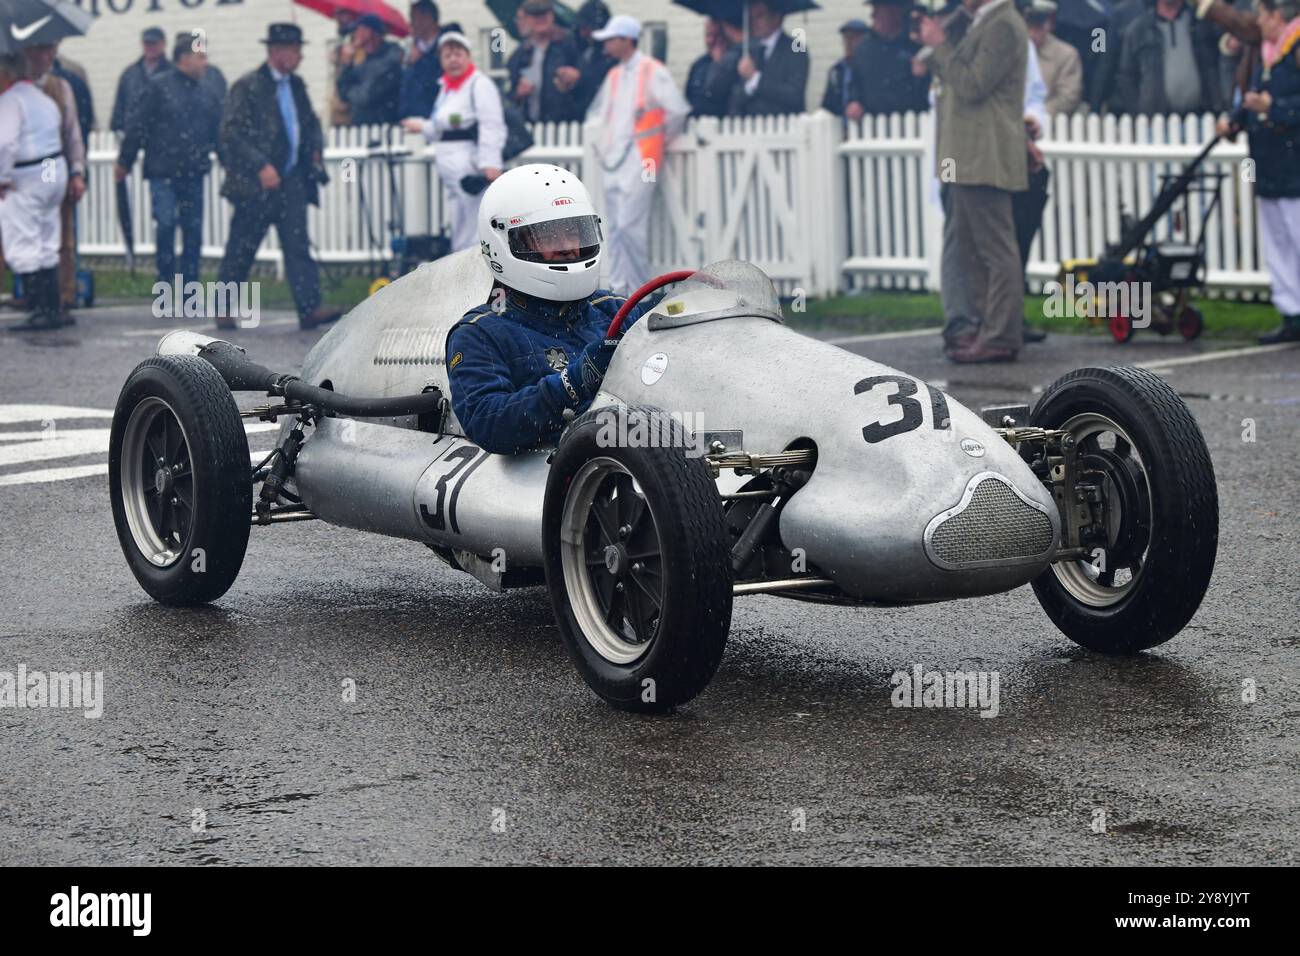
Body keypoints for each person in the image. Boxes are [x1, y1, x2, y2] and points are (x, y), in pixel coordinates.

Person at [446, 164, 660, 455]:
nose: (568, 248)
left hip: (639, 464)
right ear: (503, 243)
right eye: (548, 237)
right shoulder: (479, 333)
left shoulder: (615, 311)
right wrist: (572, 383)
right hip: (555, 482)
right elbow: (489, 424)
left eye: (574, 234)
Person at [919, 0, 1029, 364]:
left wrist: (939, 45)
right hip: (967, 155)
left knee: (997, 250)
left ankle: (1001, 335)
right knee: (967, 248)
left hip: (984, 154)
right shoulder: (983, 21)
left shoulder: (1002, 24)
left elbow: (973, 84)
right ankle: (980, 328)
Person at [217, 23, 343, 332]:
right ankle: (223, 308)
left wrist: (314, 150)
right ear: (277, 52)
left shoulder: (297, 85)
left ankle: (309, 308)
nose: (300, 55)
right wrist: (260, 165)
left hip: (291, 181)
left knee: (297, 245)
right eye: (295, 49)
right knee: (241, 247)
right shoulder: (248, 86)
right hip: (256, 184)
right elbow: (230, 133)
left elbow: (309, 124)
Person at [587, 15, 690, 294]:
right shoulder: (615, 75)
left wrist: (660, 141)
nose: (606, 44)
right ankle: (622, 292)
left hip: (644, 160)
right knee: (618, 229)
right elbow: (600, 114)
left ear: (625, 40)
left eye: (611, 39)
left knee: (631, 227)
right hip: (616, 161)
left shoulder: (652, 70)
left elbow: (677, 111)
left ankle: (640, 292)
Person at [1218, 0, 1300, 343]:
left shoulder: (1294, 48)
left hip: (1294, 161)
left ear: (1278, 16)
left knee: (1297, 237)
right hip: (1266, 159)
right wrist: (1235, 119)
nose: (1259, 21)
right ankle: (1291, 312)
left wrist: (1275, 108)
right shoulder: (1264, 50)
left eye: (1263, 14)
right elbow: (1250, 94)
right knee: (1277, 239)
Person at [115, 37, 221, 291]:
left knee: (193, 232)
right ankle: (164, 282)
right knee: (166, 225)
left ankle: (189, 289)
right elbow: (138, 126)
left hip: (193, 172)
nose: (205, 63)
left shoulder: (206, 92)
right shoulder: (158, 87)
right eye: (200, 57)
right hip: (162, 172)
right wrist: (125, 161)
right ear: (184, 59)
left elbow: (216, 132)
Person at [402, 32, 505, 252]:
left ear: (468, 56)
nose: (453, 60)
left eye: (458, 54)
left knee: (472, 216)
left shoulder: (478, 84)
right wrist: (421, 126)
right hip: (448, 160)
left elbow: (491, 123)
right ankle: (461, 261)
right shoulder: (446, 88)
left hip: (468, 158)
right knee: (458, 216)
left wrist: (490, 162)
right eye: (447, 55)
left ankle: (476, 262)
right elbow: (442, 126)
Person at [0, 53, 69, 332]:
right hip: (52, 167)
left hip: (27, 174)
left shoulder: (11, 101)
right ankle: (53, 306)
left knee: (24, 238)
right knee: (46, 237)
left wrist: (2, 176)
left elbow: (5, 143)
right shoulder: (44, 99)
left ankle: (39, 308)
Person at [22, 43, 85, 327]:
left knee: (57, 233)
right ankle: (33, 299)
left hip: (48, 165)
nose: (48, 57)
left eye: (52, 51)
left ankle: (59, 297)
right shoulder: (12, 86)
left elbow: (73, 133)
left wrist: (77, 171)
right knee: (23, 237)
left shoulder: (61, 87)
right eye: (42, 50)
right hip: (17, 170)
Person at [1112, 0, 1226, 115]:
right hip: (1155, 120)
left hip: (1204, 115)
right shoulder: (1138, 30)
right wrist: (1139, 112)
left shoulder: (1204, 24)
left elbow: (1222, 63)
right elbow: (1126, 77)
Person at [844, 0, 930, 118]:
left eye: (879, 10)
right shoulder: (863, 49)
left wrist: (922, 76)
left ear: (895, 12)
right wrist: (854, 102)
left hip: (912, 124)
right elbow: (854, 85)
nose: (873, 15)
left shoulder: (917, 46)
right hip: (873, 126)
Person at [726, 1, 810, 116]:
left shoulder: (796, 48)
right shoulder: (747, 49)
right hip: (749, 127)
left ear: (776, 17)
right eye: (751, 17)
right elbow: (735, 98)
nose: (753, 22)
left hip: (784, 126)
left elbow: (794, 95)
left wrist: (755, 78)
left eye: (759, 16)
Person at [508, 0, 582, 123]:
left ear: (552, 15)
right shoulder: (521, 52)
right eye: (535, 15)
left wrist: (576, 79)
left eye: (544, 14)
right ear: (527, 19)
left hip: (566, 124)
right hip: (531, 123)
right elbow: (510, 94)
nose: (540, 19)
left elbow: (589, 79)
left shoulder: (570, 42)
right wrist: (518, 93)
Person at [337, 13, 404, 126]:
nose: (354, 35)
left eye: (358, 30)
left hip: (385, 128)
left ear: (369, 32)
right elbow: (342, 93)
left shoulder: (391, 56)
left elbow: (366, 96)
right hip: (362, 128)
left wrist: (351, 90)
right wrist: (347, 64)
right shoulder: (363, 61)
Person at [1025, 0, 1082, 117]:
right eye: (1029, 28)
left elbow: (1068, 96)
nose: (1032, 34)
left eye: (1038, 28)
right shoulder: (1012, 50)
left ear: (1049, 25)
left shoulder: (1066, 55)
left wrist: (1036, 114)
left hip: (1051, 124)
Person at [110, 27, 172, 133]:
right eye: (147, 43)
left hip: (163, 135)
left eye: (154, 43)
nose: (150, 47)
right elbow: (120, 103)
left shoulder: (173, 72)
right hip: (134, 133)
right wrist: (117, 126)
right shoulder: (130, 73)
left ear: (163, 44)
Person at [400, 1, 448, 120]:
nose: (411, 23)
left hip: (436, 117)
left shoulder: (446, 43)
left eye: (414, 18)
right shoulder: (411, 48)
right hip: (411, 119)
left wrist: (424, 57)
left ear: (428, 18)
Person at [567, 0, 616, 116]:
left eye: (587, 28)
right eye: (581, 27)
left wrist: (580, 78)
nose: (583, 32)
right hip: (577, 113)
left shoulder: (611, 54)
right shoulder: (576, 48)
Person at [686, 17, 742, 118]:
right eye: (709, 35)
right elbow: (688, 97)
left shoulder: (736, 63)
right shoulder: (698, 65)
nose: (713, 40)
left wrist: (719, 64)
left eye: (717, 36)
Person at [822, 20, 869, 117]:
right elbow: (827, 104)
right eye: (846, 38)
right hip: (840, 126)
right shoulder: (836, 70)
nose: (849, 43)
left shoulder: (870, 68)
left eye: (854, 38)